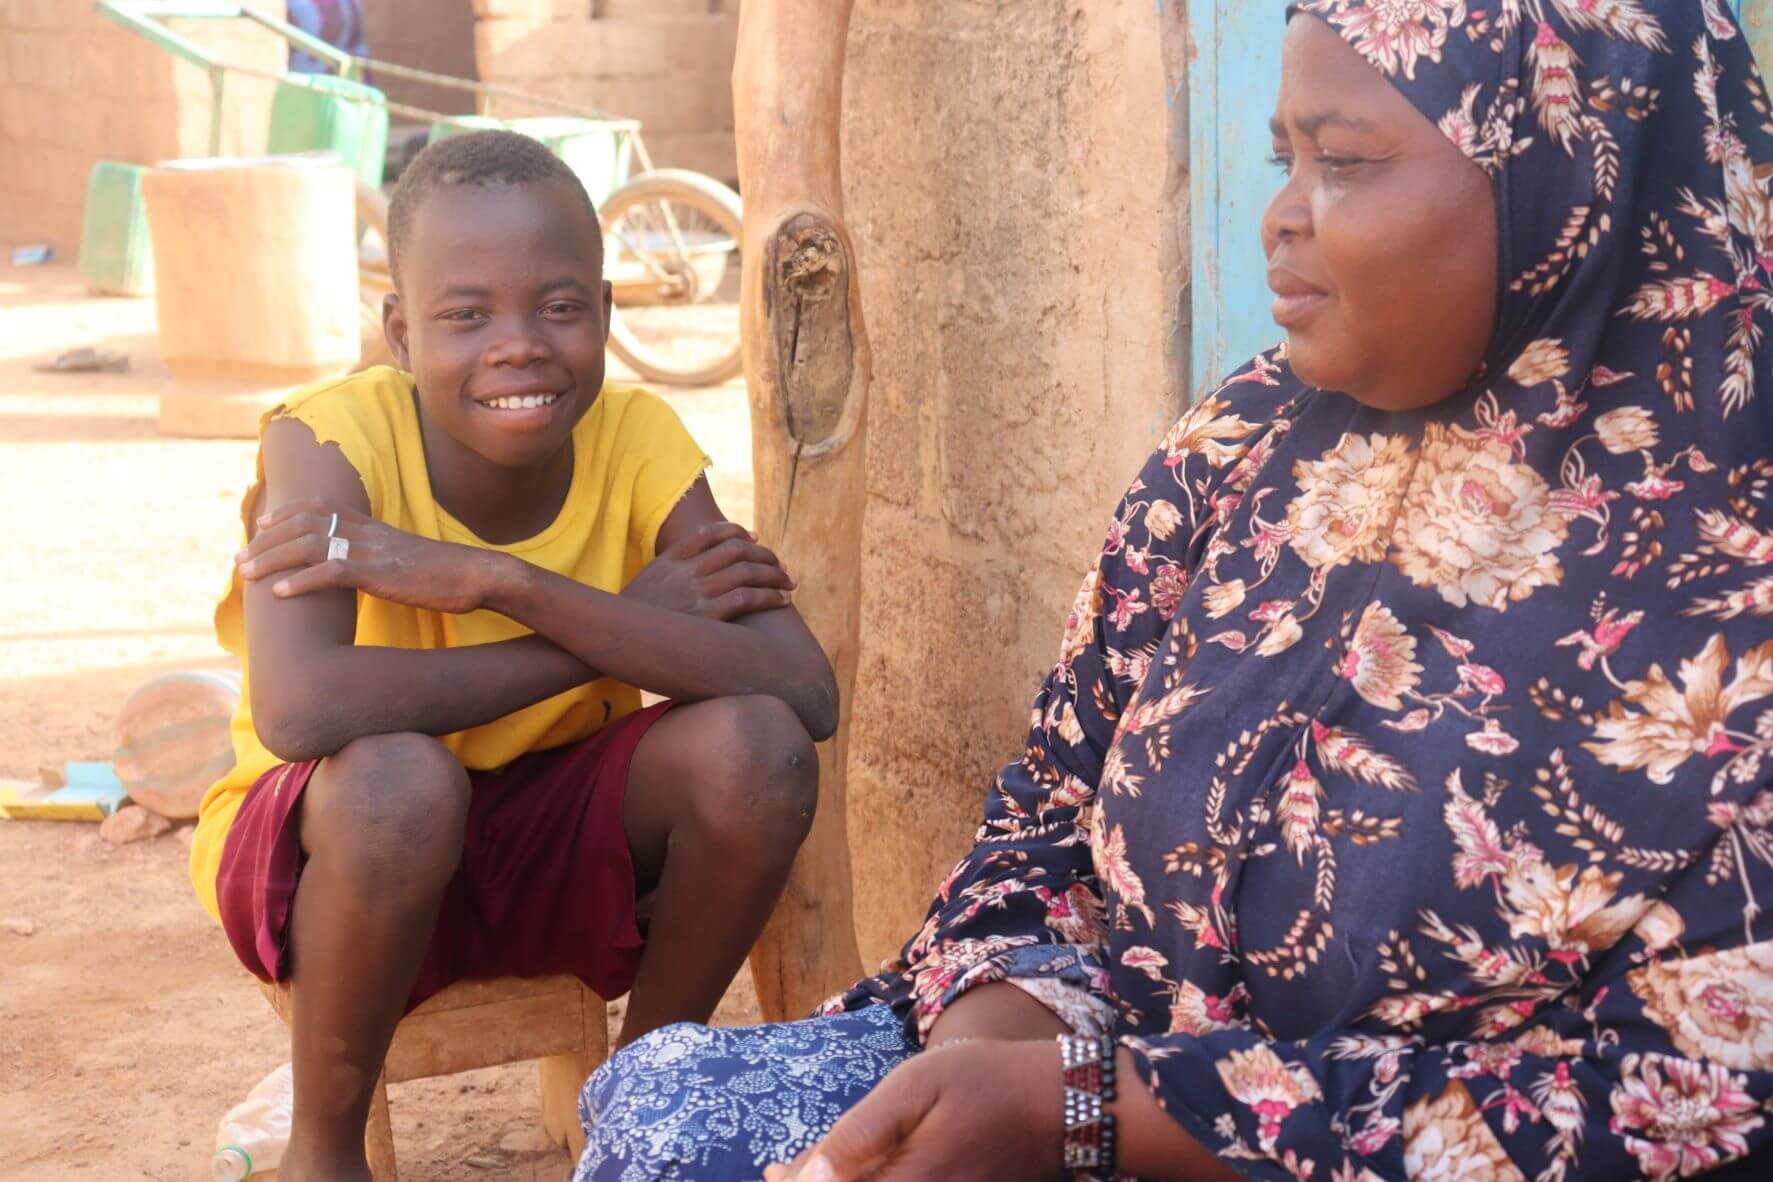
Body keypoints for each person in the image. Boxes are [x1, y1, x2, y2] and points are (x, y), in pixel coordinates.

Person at [573, 1, 1773, 1179]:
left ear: (1569, 184)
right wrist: (997, 1051)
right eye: (1284, 158)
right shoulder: (1244, 445)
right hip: (1059, 1081)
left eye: (1346, 162)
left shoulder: (1731, 592)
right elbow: (1048, 805)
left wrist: (1095, 1116)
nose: (1280, 215)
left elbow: (1685, 1105)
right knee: (670, 1116)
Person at [186, 130, 839, 1182]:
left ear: (607, 315)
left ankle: (638, 1112)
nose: (519, 345)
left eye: (559, 305)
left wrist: (506, 585)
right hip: (341, 854)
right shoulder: (326, 440)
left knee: (754, 751)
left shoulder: (637, 438)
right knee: (401, 783)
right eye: (466, 315)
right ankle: (322, 1155)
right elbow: (301, 710)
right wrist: (605, 626)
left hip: (544, 833)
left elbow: (802, 691)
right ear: (401, 333)